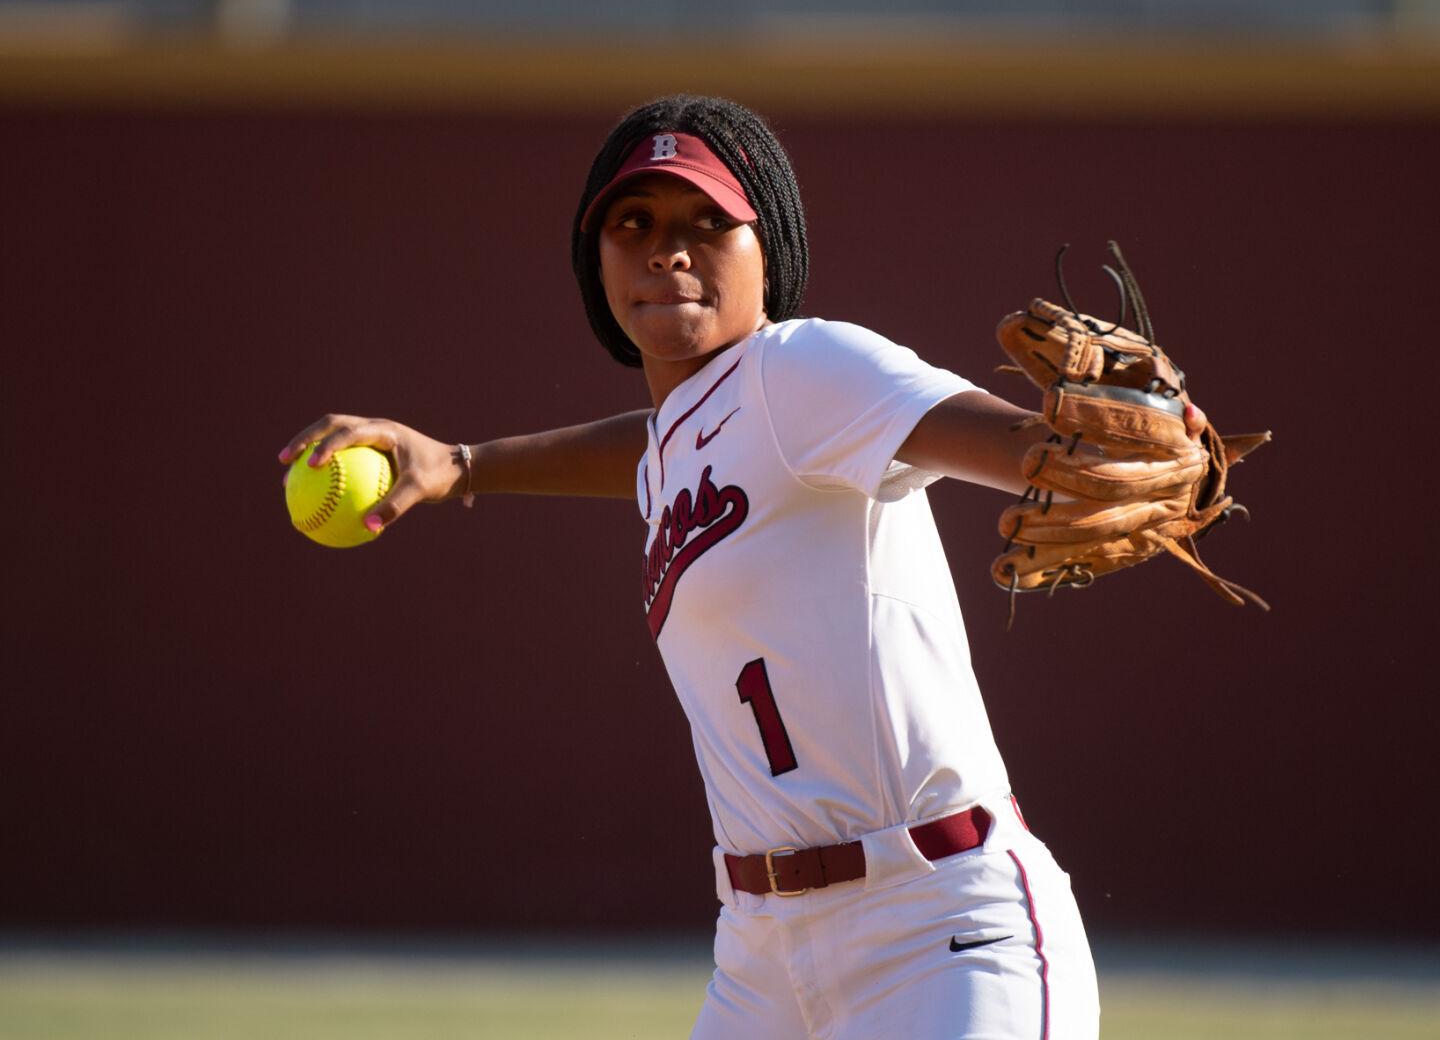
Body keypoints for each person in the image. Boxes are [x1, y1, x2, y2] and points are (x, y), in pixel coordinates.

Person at [279, 94, 1201, 1038]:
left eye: (706, 222)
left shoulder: (808, 369)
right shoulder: (693, 438)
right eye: (632, 223)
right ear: (593, 261)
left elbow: (1029, 450)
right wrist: (466, 467)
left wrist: (1094, 445)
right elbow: (654, 449)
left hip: (941, 935)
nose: (667, 250)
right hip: (760, 960)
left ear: (772, 250)